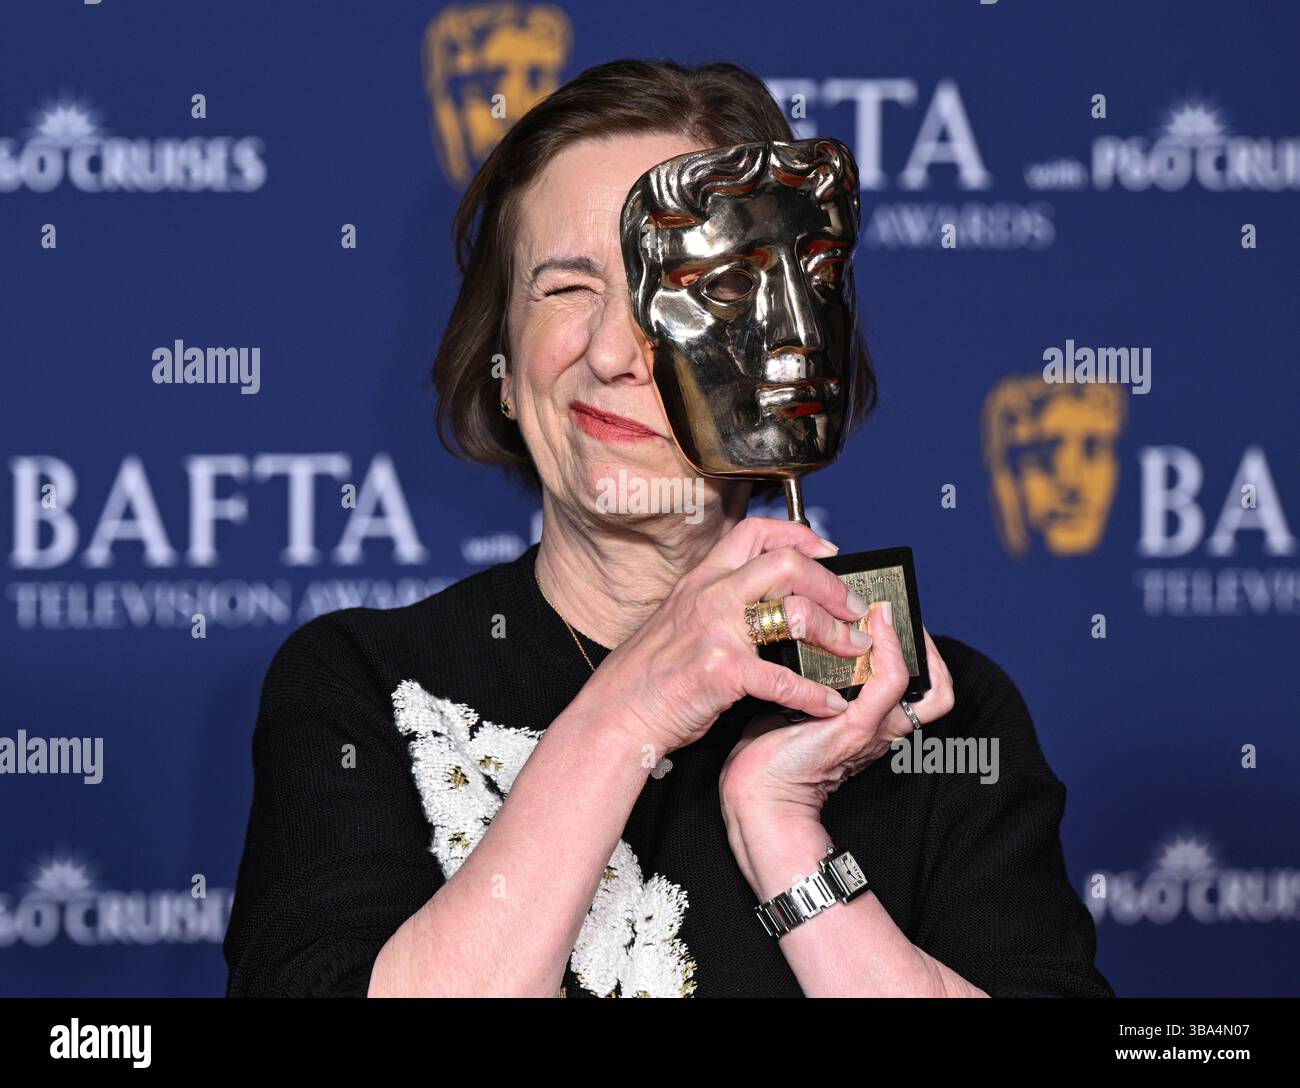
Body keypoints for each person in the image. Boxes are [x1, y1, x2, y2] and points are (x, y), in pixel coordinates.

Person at [223, 58, 1113, 998]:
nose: (612, 352)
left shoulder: (924, 712)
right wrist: (633, 708)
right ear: (502, 359)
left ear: (782, 351)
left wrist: (782, 832)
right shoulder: (360, 684)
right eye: (566, 290)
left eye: (689, 288)